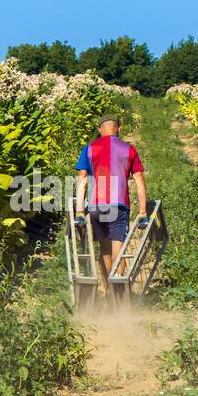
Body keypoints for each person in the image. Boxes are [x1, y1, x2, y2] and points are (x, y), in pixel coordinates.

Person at [74, 115, 148, 289]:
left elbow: (82, 181)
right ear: (119, 128)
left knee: (104, 250)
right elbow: (139, 182)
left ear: (100, 130)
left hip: (95, 206)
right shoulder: (129, 149)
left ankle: (109, 292)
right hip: (118, 205)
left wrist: (79, 211)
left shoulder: (89, 148)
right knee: (119, 251)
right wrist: (143, 211)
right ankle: (119, 293)